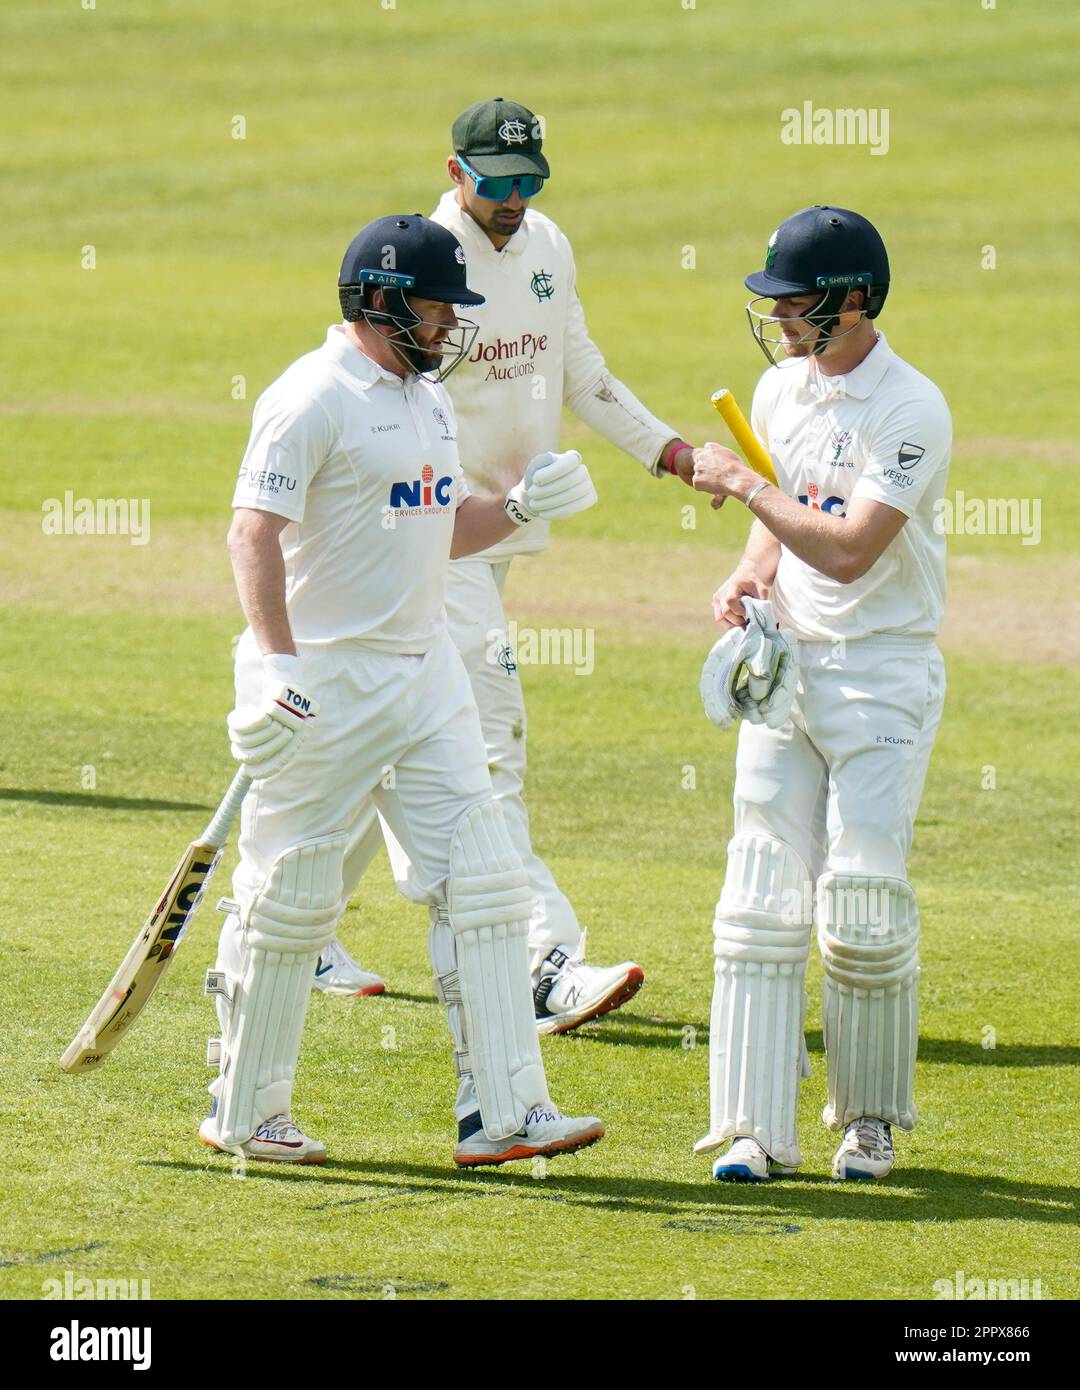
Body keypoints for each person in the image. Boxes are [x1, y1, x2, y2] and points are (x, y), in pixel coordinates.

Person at [200, 213, 604, 1167]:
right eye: (435, 307)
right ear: (379, 301)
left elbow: (438, 526)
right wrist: (277, 667)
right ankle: (245, 1108)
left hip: (426, 676)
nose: (450, 325)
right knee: (291, 894)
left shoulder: (425, 397)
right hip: (325, 680)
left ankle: (504, 1112)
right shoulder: (311, 397)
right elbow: (251, 533)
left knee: (486, 882)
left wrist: (514, 509)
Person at [316, 97, 699, 1035]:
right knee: (488, 740)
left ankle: (293, 924)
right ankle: (541, 960)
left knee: (398, 735)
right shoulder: (420, 267)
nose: (516, 198)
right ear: (456, 173)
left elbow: (579, 369)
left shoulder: (548, 247)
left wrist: (671, 452)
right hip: (430, 537)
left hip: (497, 539)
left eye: (531, 181)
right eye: (498, 183)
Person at [689, 205, 951, 1181]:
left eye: (796, 303)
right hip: (792, 665)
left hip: (882, 671)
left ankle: (870, 1120)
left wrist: (749, 495)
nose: (782, 320)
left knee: (863, 899)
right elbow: (784, 520)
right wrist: (751, 571)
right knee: (759, 895)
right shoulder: (777, 390)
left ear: (854, 301)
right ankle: (753, 1129)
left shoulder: (910, 407)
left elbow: (847, 550)